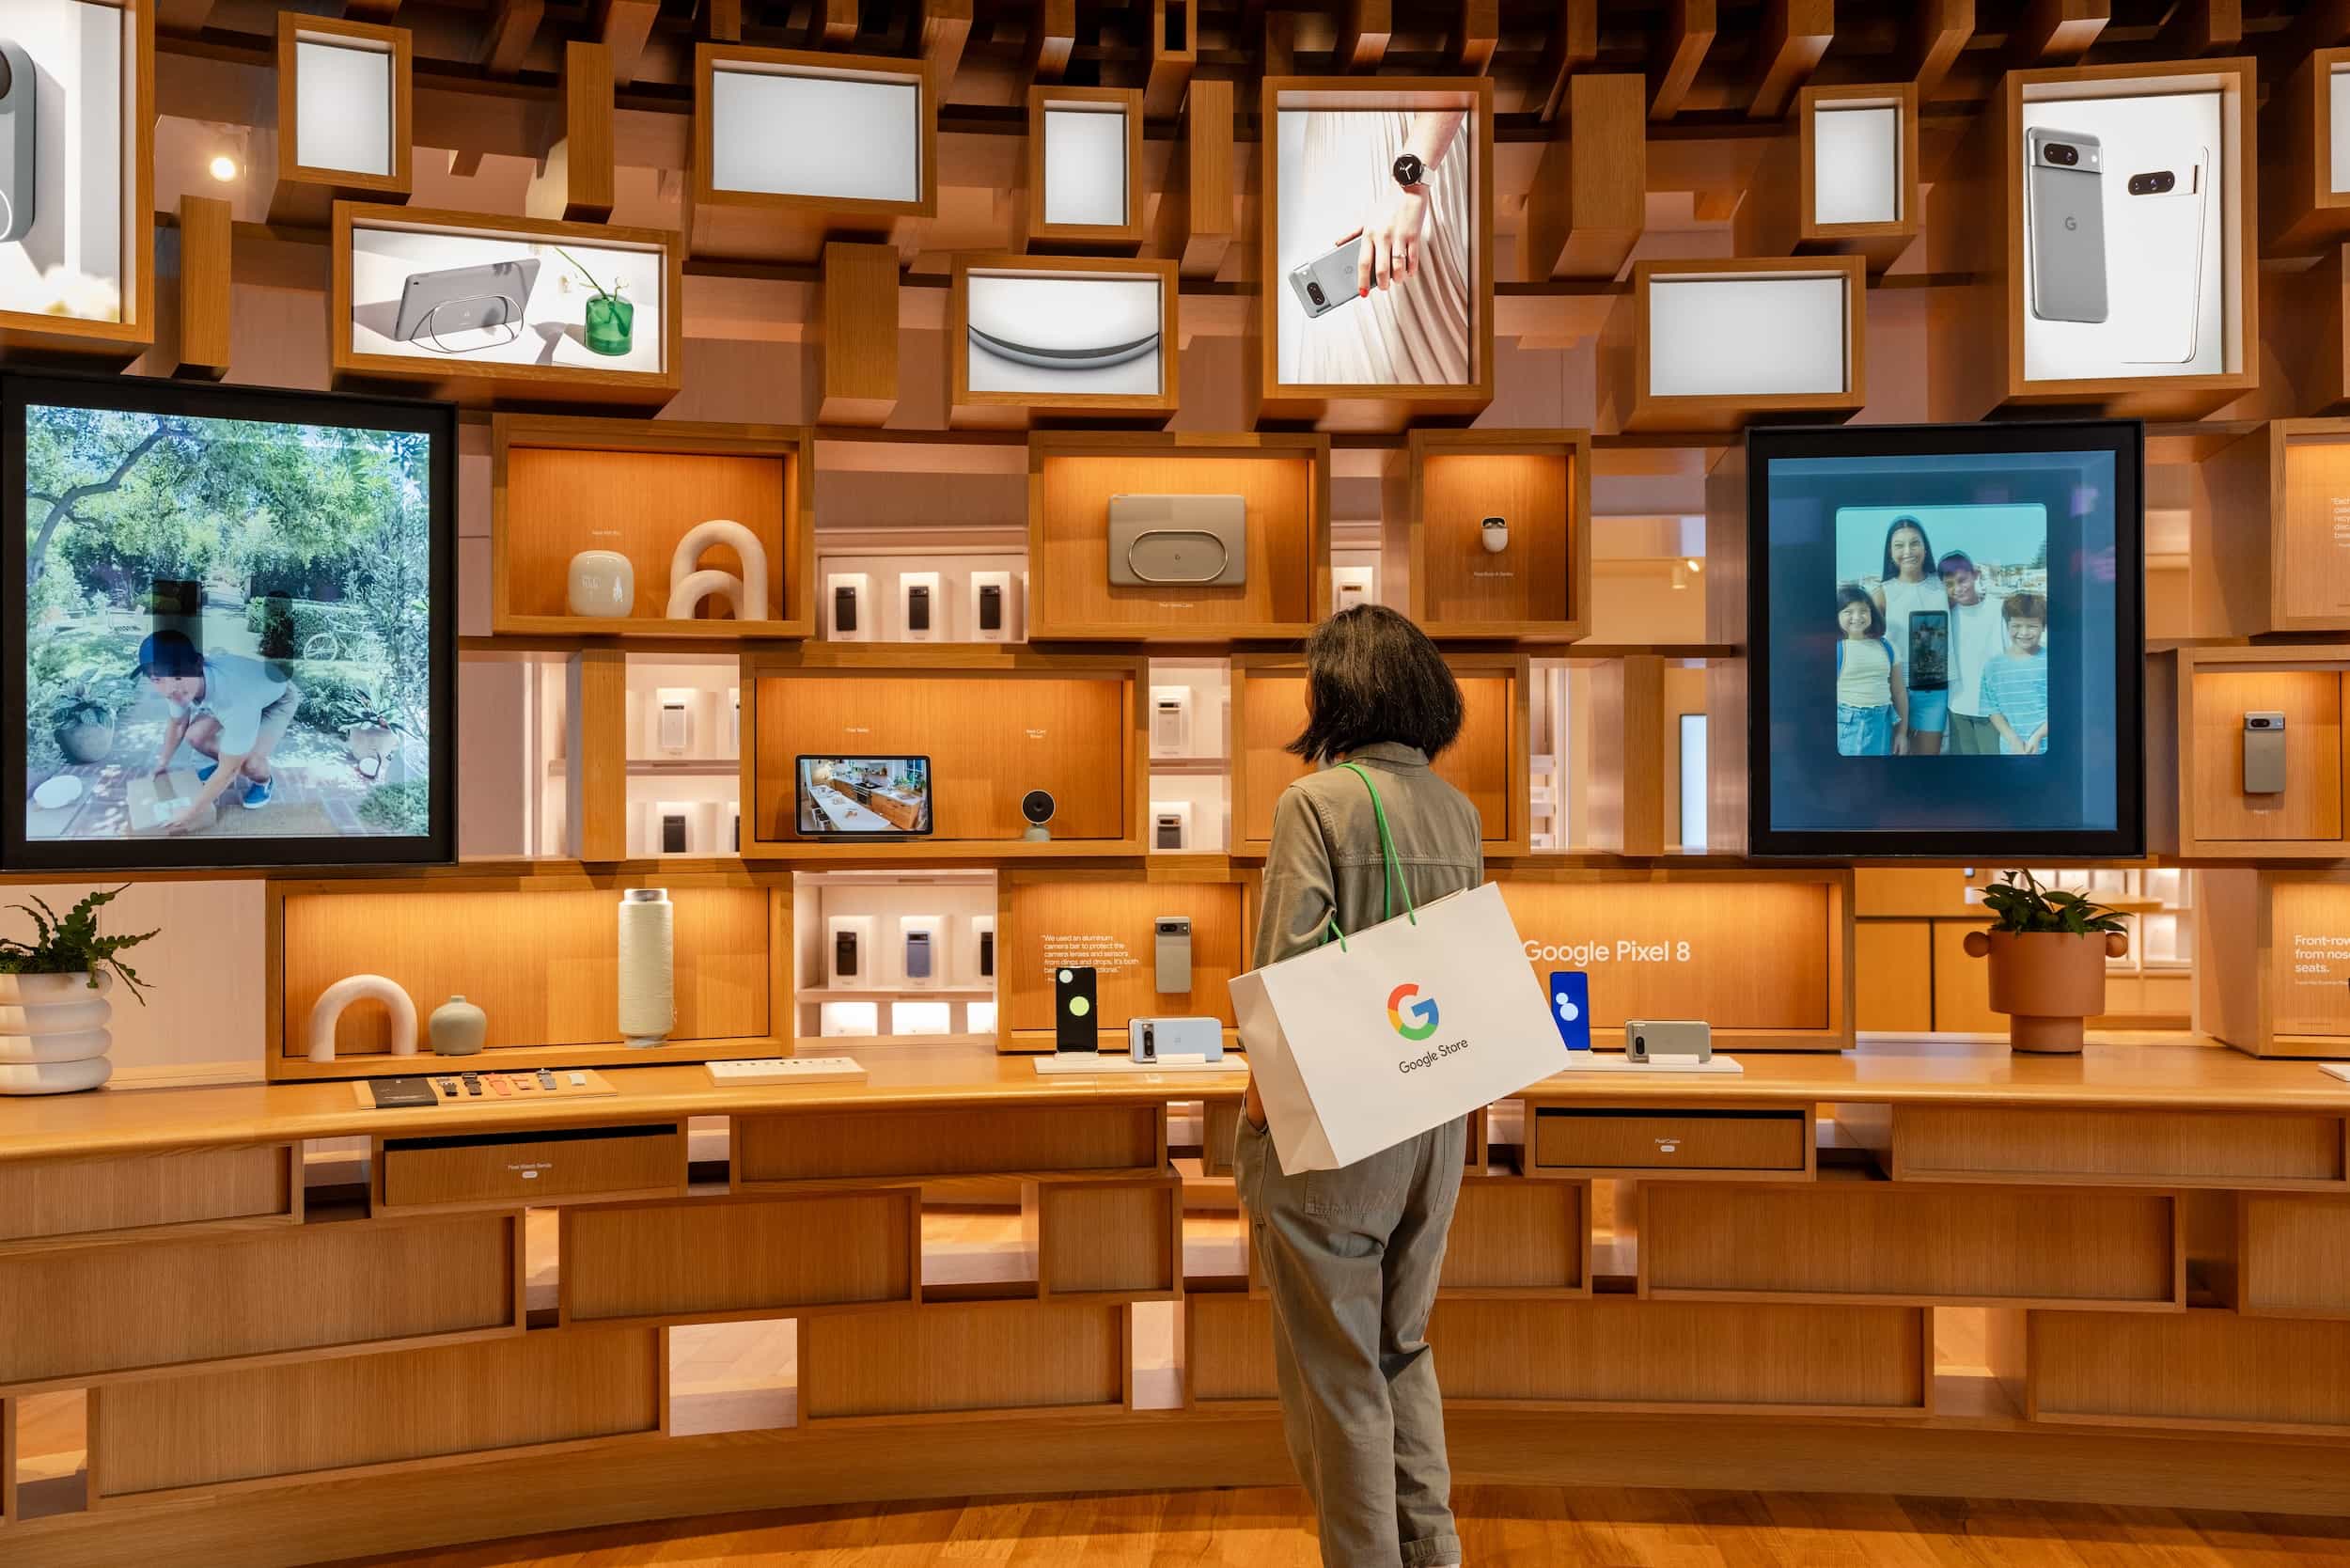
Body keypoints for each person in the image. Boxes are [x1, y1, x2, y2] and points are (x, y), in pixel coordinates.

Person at [1233, 603, 1482, 1568]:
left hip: (1337, 1137)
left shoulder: (1318, 803)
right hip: (1433, 1125)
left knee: (1336, 1378)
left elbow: (1289, 975)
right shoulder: (1453, 810)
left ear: (1338, 693)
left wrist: (1258, 1125)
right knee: (1401, 1350)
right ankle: (1431, 1553)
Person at [135, 631, 303, 832]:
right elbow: (178, 724)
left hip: (277, 698)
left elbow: (230, 771)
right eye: (157, 679)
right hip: (243, 692)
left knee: (248, 764)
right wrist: (162, 763)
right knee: (194, 736)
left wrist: (189, 813)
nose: (170, 689)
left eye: (178, 675)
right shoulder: (180, 689)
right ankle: (226, 761)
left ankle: (264, 782)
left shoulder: (235, 701)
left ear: (198, 664)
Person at [1868, 516, 1950, 755]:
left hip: (1933, 691)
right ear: (1890, 552)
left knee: (1925, 767)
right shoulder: (1882, 593)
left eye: (1915, 543)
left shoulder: (1943, 587)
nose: (1908, 551)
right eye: (1899, 545)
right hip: (1894, 690)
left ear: (1925, 547)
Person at [1938, 551, 2009, 756]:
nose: (1957, 589)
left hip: (1992, 710)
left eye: (1962, 580)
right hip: (1957, 706)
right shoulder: (1947, 617)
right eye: (1949, 584)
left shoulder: (1998, 608)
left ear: (1975, 575)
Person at [1835, 586, 1905, 756]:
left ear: (1872, 613)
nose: (1857, 617)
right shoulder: (1836, 649)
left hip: (1883, 723)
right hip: (1847, 722)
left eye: (1863, 610)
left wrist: (1901, 733)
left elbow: (1899, 692)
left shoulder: (1887, 647)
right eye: (1848, 611)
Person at [1981, 592, 2050, 756]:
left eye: (2032, 626)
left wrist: (2038, 735)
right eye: (2017, 626)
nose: (2024, 633)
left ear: (2043, 627)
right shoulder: (1993, 666)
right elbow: (1992, 709)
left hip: (2048, 748)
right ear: (2007, 626)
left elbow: (2062, 708)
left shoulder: (2052, 661)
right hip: (2010, 748)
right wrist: (2012, 739)